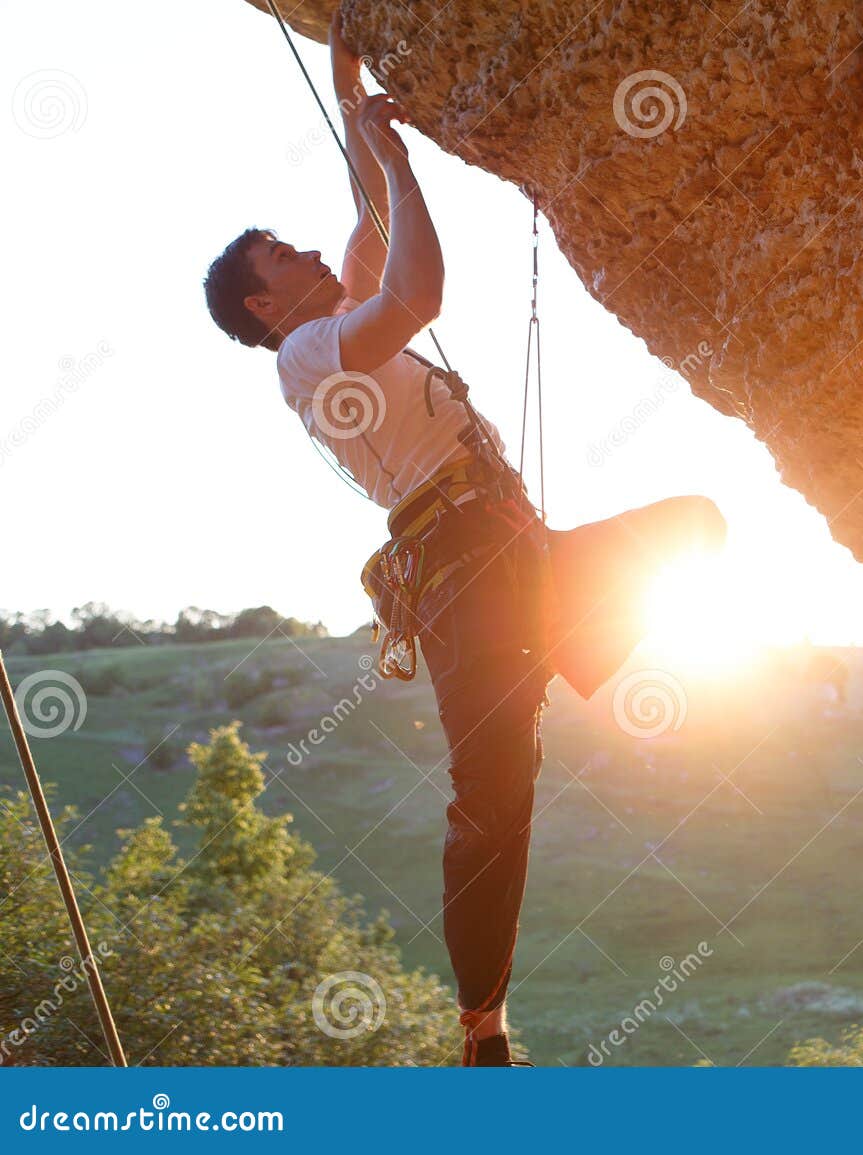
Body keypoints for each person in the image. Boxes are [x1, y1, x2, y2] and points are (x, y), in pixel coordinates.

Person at [202, 15, 722, 1065]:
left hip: (515, 552)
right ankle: (482, 1026)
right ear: (264, 303)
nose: (307, 249)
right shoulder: (304, 357)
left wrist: (351, 87)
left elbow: (366, 217)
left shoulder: (331, 310)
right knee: (496, 797)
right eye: (283, 255)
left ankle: (570, 645)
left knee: (696, 525)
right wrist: (396, 154)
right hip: (464, 573)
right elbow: (420, 290)